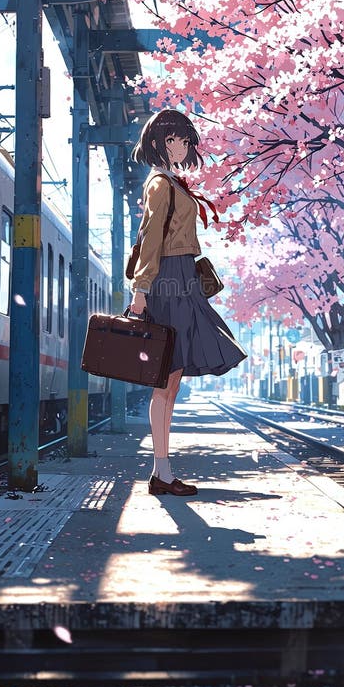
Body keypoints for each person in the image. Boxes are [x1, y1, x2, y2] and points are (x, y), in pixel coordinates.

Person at [129, 109, 247, 497]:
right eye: (179, 140)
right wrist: (141, 289)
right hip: (168, 282)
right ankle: (161, 473)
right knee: (165, 381)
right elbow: (149, 240)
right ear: (163, 141)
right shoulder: (161, 185)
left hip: (180, 279)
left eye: (186, 140)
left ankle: (162, 470)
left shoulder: (171, 182)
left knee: (171, 381)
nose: (185, 146)